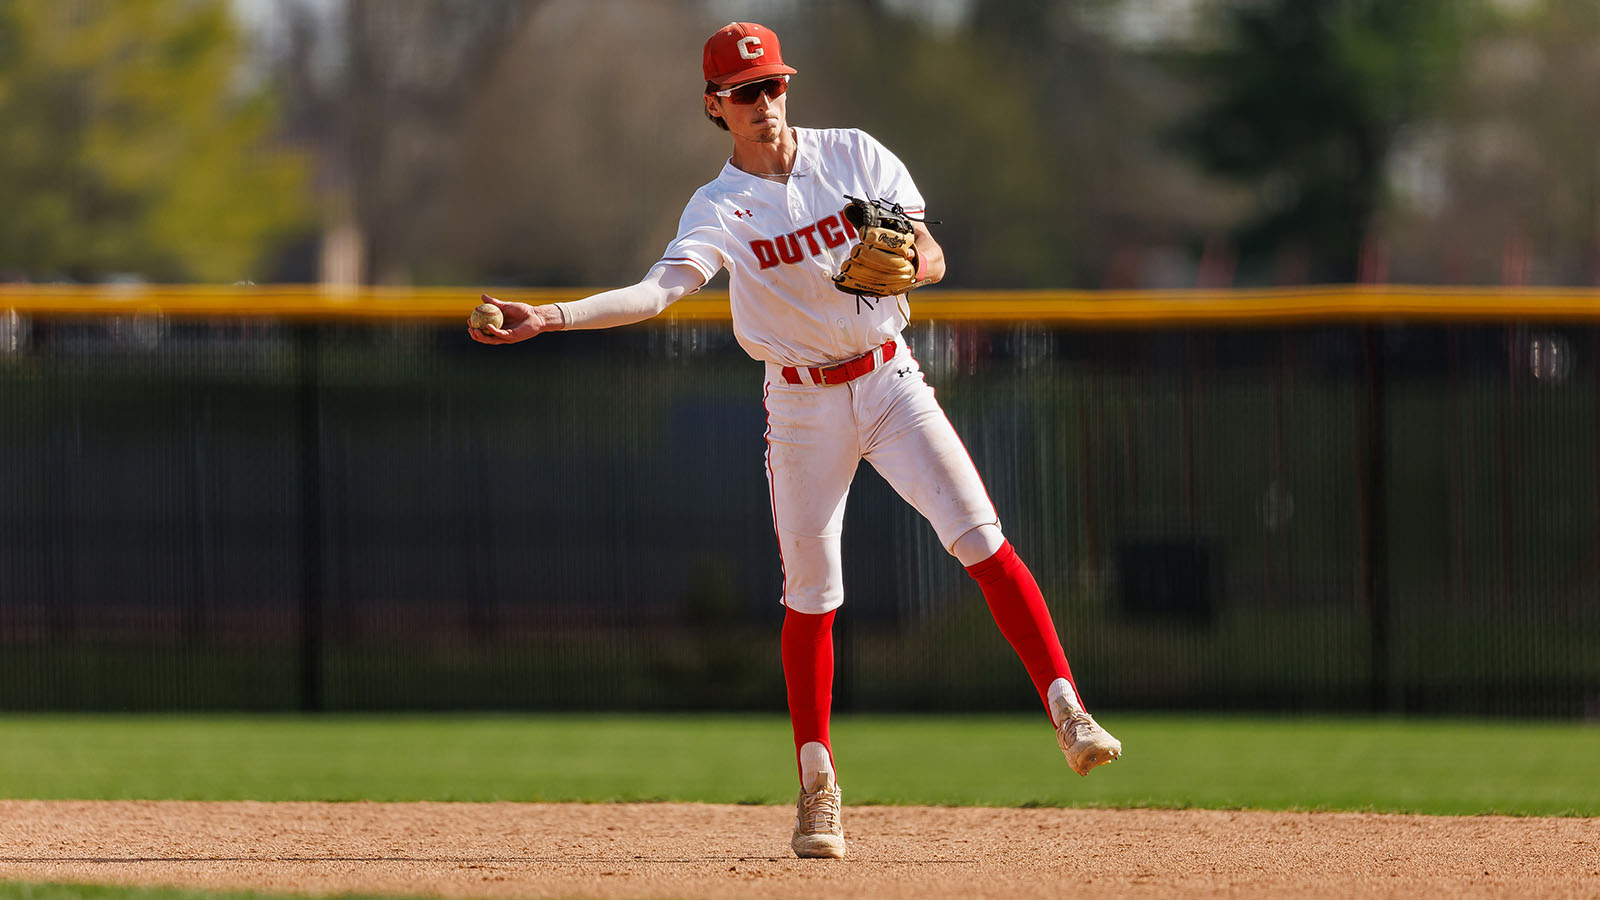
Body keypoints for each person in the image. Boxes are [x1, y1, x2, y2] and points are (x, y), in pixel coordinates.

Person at [471, 21, 1121, 860]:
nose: (764, 101)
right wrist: (552, 317)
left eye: (773, 83)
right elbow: (656, 292)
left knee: (980, 538)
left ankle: (1069, 713)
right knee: (812, 592)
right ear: (715, 106)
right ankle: (818, 788)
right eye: (745, 92)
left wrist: (913, 265)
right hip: (803, 406)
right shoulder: (718, 208)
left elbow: (928, 250)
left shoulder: (853, 154)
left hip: (889, 378)